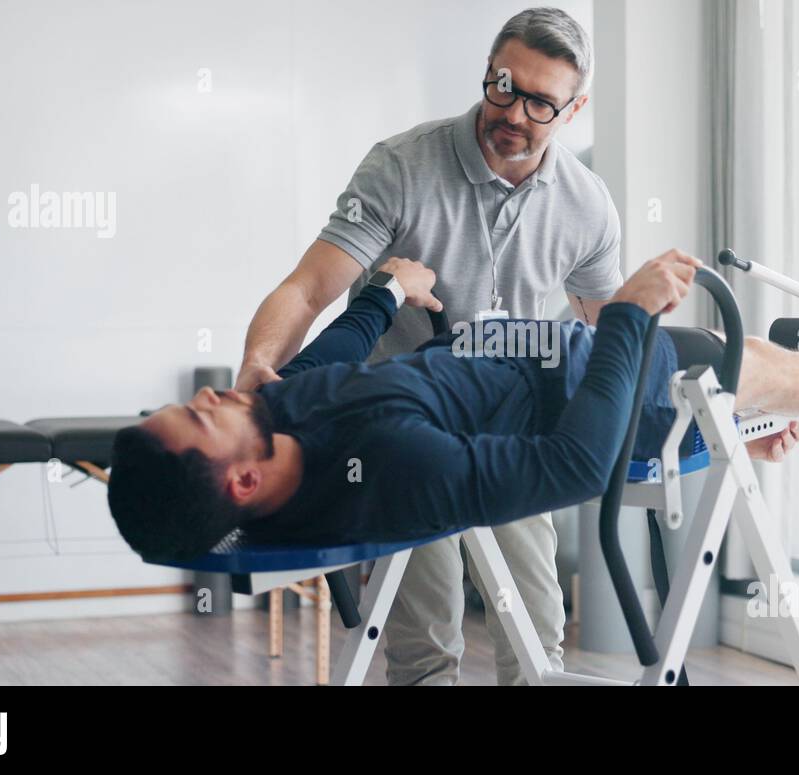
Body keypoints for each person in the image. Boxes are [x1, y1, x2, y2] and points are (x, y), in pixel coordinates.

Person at [108, 244, 799, 589]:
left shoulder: (276, 420)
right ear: (244, 477)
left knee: (748, 379)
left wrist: (386, 291)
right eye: (202, 417)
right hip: (600, 395)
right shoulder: (396, 469)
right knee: (743, 365)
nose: (215, 392)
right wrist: (625, 314)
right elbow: (577, 468)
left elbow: (324, 364)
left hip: (542, 353)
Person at [234, 8, 622, 685]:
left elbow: (613, 338)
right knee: (424, 638)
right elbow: (307, 289)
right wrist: (255, 369)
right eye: (503, 85)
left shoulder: (587, 205)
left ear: (575, 107)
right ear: (487, 73)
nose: (514, 111)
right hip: (402, 419)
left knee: (536, 635)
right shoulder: (402, 166)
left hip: (511, 421)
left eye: (540, 102)